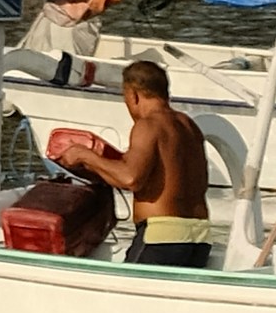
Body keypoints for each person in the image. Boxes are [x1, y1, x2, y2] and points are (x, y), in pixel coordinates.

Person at [50, 53, 216, 262]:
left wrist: (85, 155)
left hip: (162, 237)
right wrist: (100, 166)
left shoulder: (148, 125)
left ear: (134, 95)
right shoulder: (189, 126)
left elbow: (131, 178)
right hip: (199, 237)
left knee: (124, 293)